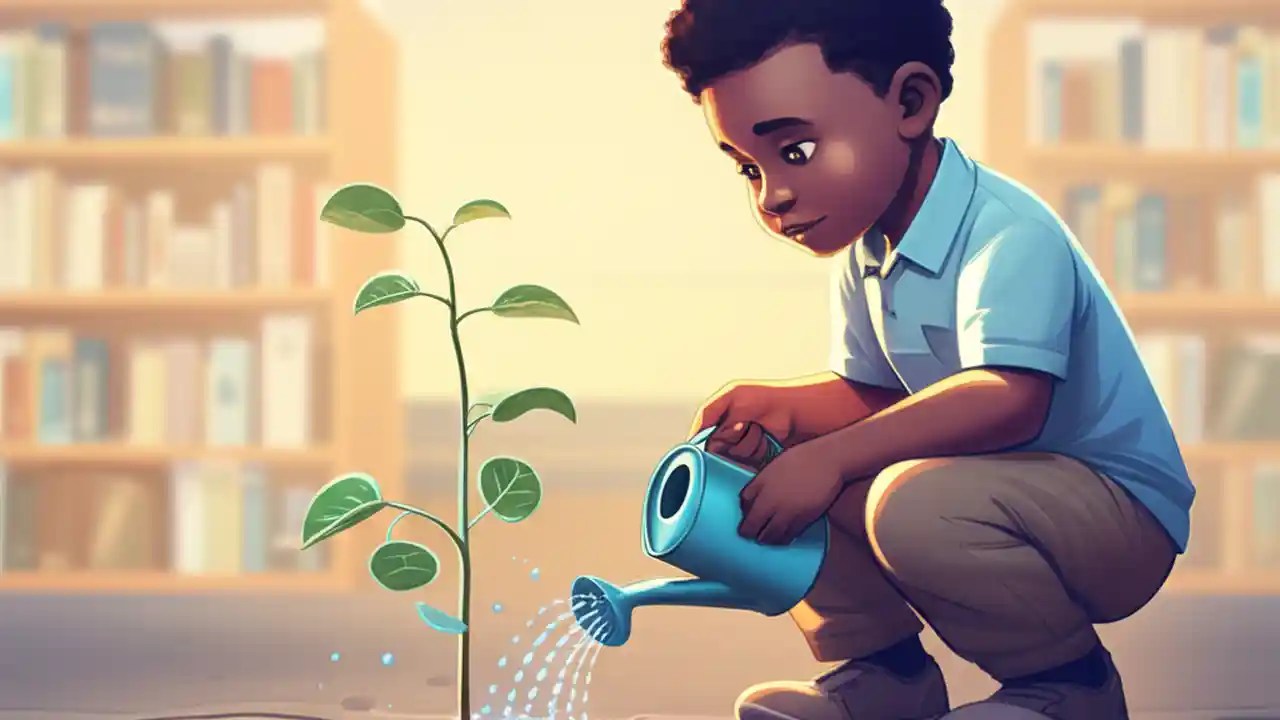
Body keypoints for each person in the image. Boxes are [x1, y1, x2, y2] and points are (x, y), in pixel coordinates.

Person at [660, 1, 1193, 719]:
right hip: (995, 490)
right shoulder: (869, 249)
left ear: (910, 102)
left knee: (908, 500)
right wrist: (783, 410)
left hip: (1115, 519)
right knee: (761, 464)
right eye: (747, 169)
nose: (774, 196)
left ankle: (1070, 687)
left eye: (795, 152)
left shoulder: (1008, 233)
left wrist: (834, 459)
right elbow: (880, 397)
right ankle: (886, 677)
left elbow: (1009, 398)